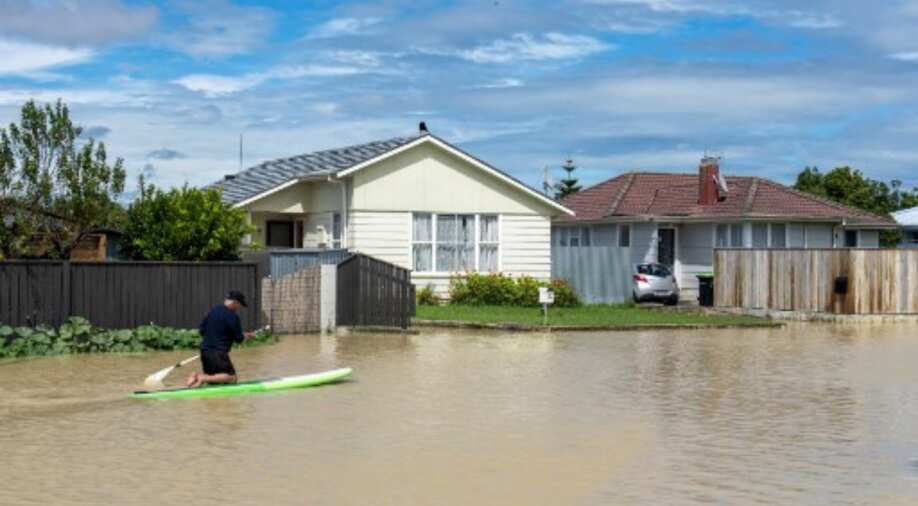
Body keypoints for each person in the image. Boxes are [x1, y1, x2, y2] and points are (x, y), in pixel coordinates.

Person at [185, 291, 255, 388]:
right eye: (239, 305)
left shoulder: (213, 311)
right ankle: (200, 377)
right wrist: (247, 336)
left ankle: (195, 379)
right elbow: (239, 339)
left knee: (215, 382)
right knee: (232, 378)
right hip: (218, 353)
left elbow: (202, 331)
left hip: (204, 351)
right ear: (235, 302)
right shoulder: (232, 316)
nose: (238, 308)